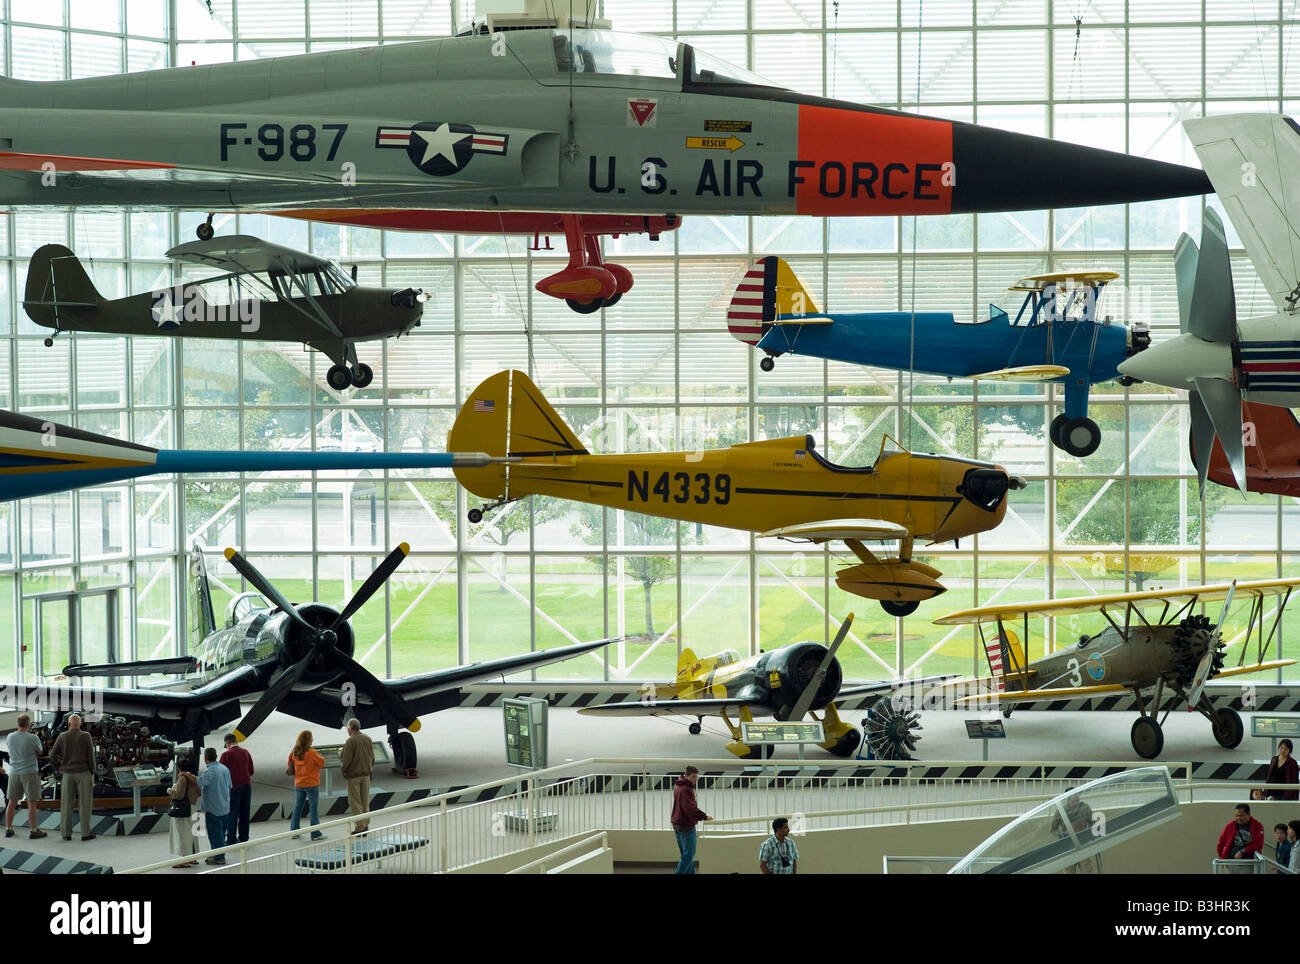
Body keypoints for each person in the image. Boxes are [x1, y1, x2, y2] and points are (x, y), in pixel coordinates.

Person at [48, 714, 95, 841]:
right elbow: (91, 756)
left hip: (67, 774)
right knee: (85, 804)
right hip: (84, 773)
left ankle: (66, 833)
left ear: (68, 724)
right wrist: (92, 771)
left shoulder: (62, 736)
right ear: (80, 724)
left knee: (66, 804)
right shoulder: (86, 736)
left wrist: (59, 768)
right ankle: (85, 833)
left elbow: (52, 756)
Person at [5, 714, 47, 840]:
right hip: (29, 772)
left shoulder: (9, 736)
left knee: (12, 801)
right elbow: (40, 751)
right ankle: (34, 830)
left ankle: (8, 828)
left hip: (14, 772)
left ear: (18, 723)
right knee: (31, 802)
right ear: (29, 724)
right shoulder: (33, 737)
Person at [670, 765, 710, 874]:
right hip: (685, 826)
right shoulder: (686, 789)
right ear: (687, 776)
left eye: (696, 777)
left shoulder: (678, 786)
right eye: (693, 777)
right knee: (688, 855)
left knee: (685, 855)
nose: (695, 780)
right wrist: (704, 816)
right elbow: (690, 809)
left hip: (677, 824)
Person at [287, 730, 326, 841]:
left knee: (298, 806)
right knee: (313, 808)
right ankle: (315, 833)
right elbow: (321, 764)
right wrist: (321, 757)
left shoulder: (295, 752)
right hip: (312, 784)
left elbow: (289, 764)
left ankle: (294, 831)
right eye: (311, 737)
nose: (313, 739)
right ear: (308, 740)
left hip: (299, 784)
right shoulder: (312, 753)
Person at [196, 747, 231, 865]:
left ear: (206, 759)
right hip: (225, 807)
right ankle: (217, 853)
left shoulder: (209, 772)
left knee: (215, 834)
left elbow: (199, 782)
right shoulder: (225, 769)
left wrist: (187, 775)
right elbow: (230, 786)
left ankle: (219, 857)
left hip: (213, 808)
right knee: (221, 832)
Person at [339, 718, 374, 836]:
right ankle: (366, 825)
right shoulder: (367, 738)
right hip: (366, 775)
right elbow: (372, 757)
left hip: (354, 776)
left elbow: (346, 760)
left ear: (350, 728)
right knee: (365, 801)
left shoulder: (351, 741)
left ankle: (359, 827)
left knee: (355, 801)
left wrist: (344, 770)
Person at [218, 733, 254, 844]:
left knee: (232, 813)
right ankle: (244, 837)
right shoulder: (246, 752)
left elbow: (221, 773)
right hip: (247, 786)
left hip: (233, 787)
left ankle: (231, 839)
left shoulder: (226, 755)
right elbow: (251, 770)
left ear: (226, 743)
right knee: (244, 812)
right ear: (236, 741)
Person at [168, 757, 201, 868]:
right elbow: (199, 792)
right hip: (193, 807)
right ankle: (193, 857)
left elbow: (179, 795)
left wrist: (170, 791)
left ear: (179, 768)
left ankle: (184, 860)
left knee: (182, 834)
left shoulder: (182, 778)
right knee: (192, 834)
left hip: (183, 808)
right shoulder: (194, 778)